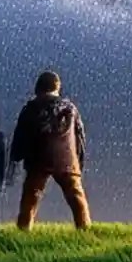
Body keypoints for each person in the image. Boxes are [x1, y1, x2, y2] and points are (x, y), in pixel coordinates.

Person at [10, 71, 91, 230]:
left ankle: (23, 231)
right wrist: (78, 162)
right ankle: (85, 230)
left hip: (38, 158)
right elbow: (80, 135)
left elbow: (21, 134)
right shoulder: (70, 108)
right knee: (76, 197)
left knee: (30, 199)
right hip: (66, 157)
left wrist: (17, 155)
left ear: (38, 88)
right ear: (57, 87)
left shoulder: (30, 108)